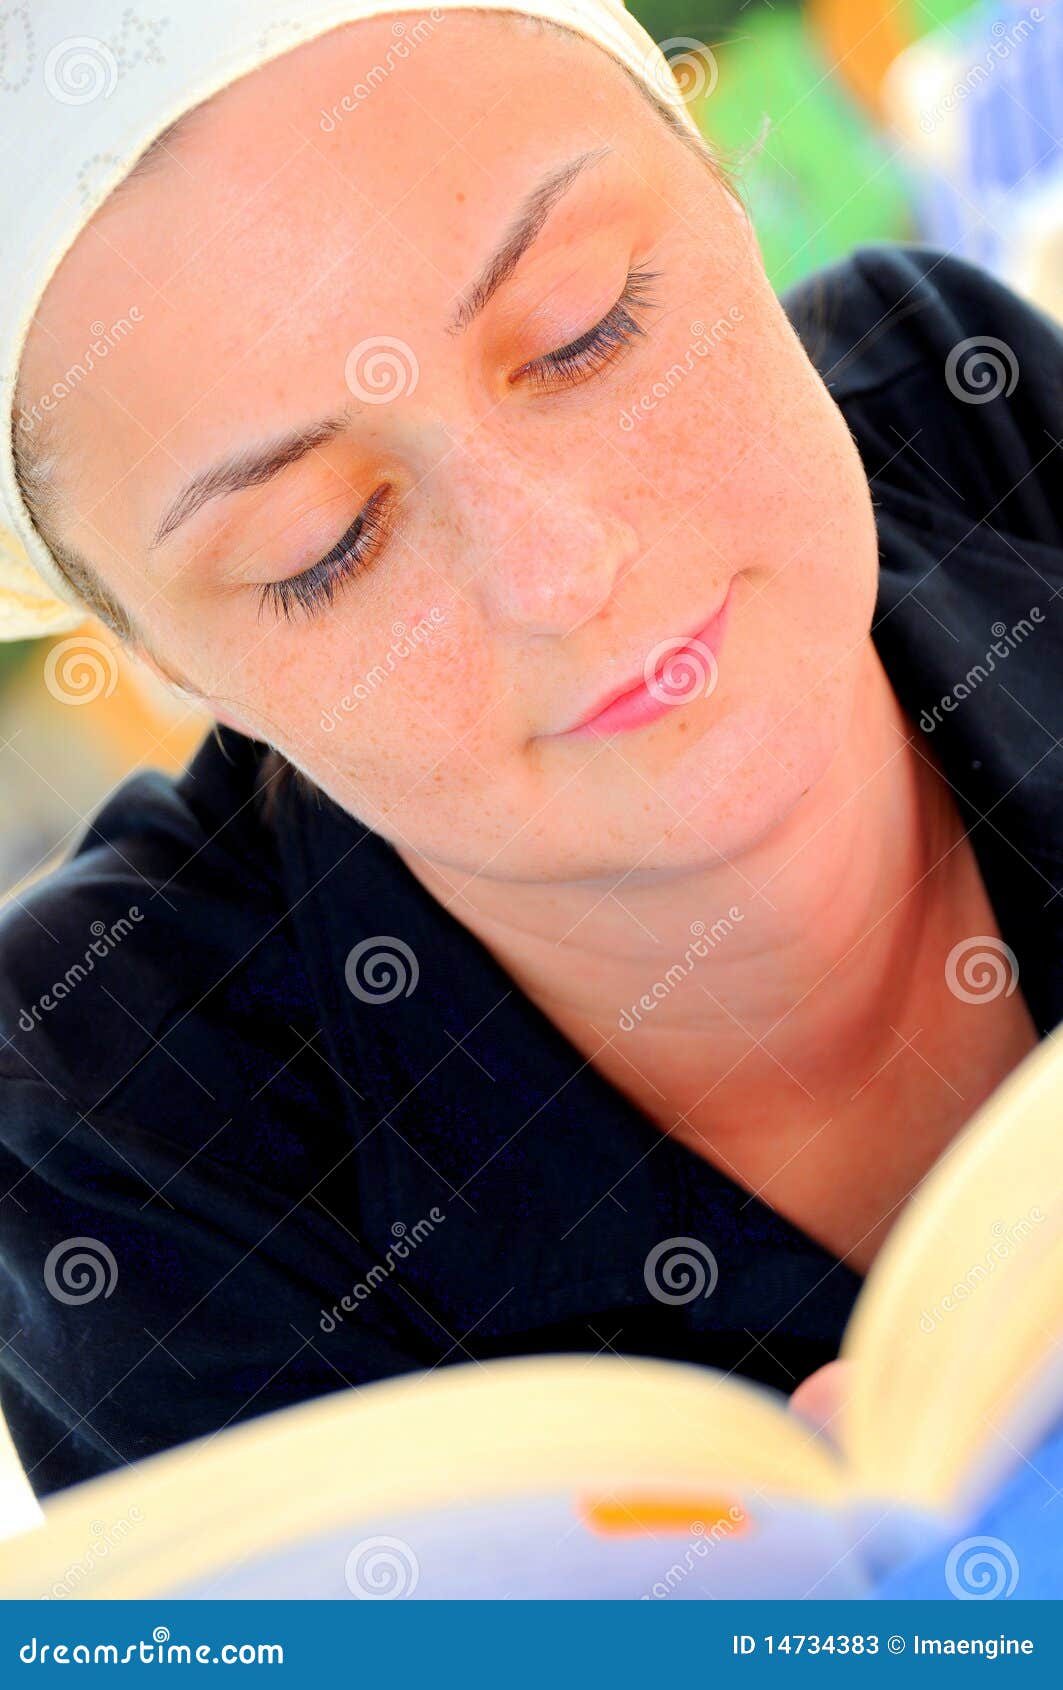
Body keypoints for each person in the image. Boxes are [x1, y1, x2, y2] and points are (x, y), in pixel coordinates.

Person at [0, 1, 1060, 1502]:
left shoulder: (978, 417)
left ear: (727, 191)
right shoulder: (131, 1124)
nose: (560, 568)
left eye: (586, 330)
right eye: (328, 549)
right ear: (174, 664)